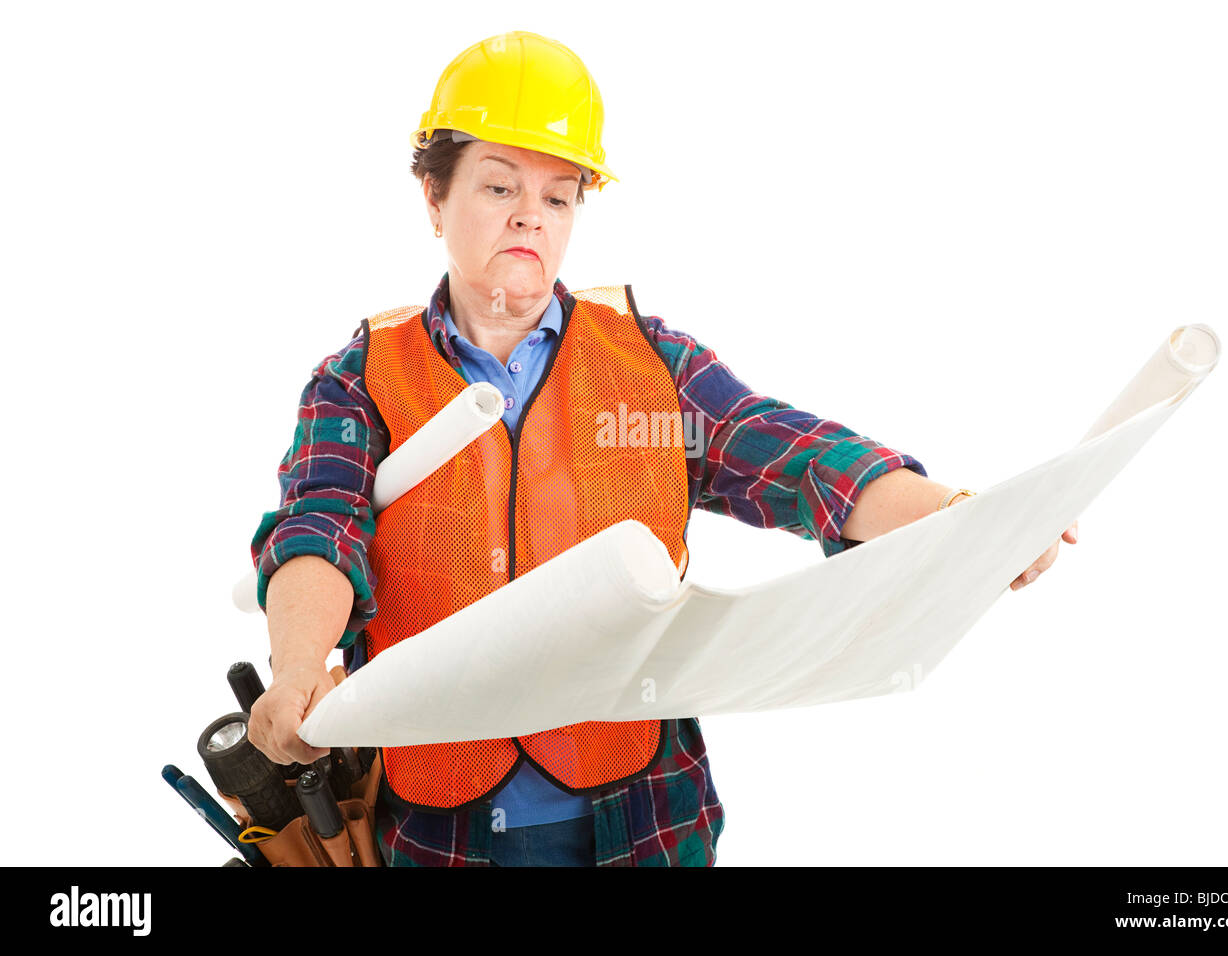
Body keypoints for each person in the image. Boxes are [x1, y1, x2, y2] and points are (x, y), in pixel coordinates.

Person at [246, 30, 1078, 868]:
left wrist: (965, 519)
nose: (530, 214)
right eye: (499, 185)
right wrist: (296, 671)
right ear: (433, 196)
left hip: (644, 817)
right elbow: (319, 525)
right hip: (441, 833)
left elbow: (791, 458)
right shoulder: (361, 380)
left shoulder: (646, 364)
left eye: (560, 196)